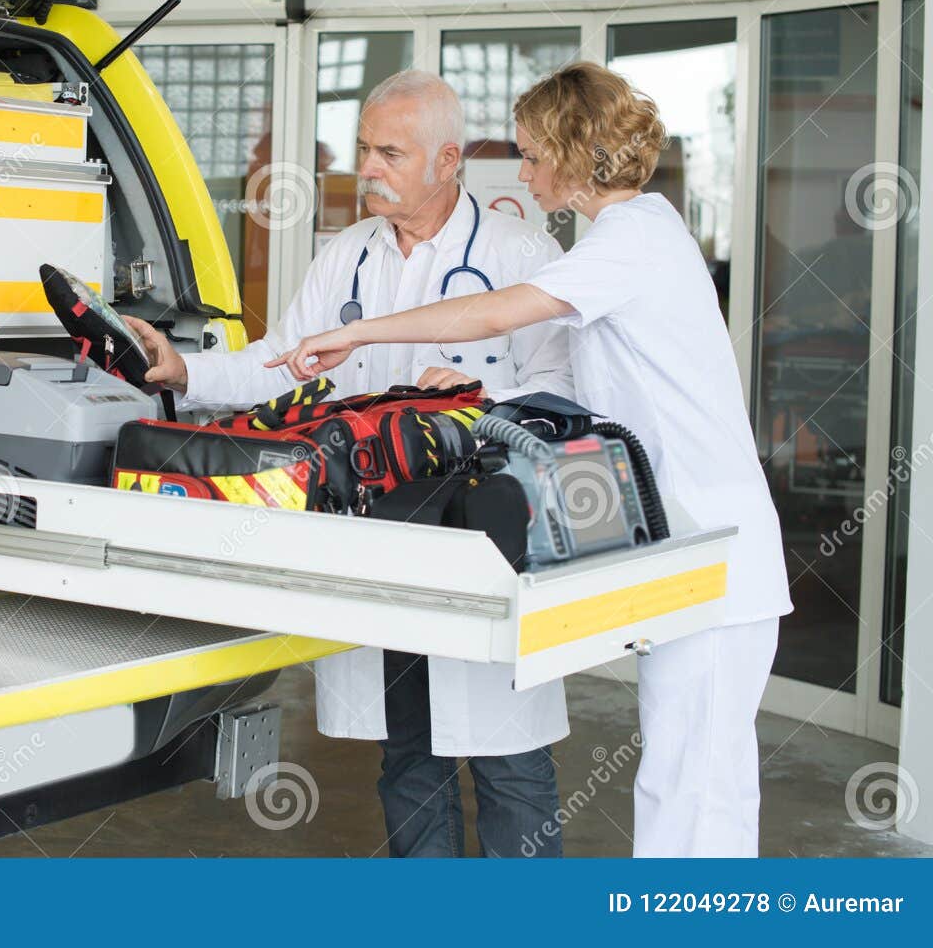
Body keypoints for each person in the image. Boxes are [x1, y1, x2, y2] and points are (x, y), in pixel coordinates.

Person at [268, 61, 792, 857]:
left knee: (699, 791)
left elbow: (500, 311)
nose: (523, 171)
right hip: (688, 549)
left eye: (534, 152)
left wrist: (361, 332)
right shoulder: (626, 237)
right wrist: (480, 400)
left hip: (716, 551)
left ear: (577, 151)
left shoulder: (634, 238)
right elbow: (585, 398)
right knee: (682, 778)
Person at [123, 70, 574, 857]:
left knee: (509, 760)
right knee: (407, 756)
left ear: (447, 160)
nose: (365, 166)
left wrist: (482, 392)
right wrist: (185, 373)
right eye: (364, 147)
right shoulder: (348, 255)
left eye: (388, 152)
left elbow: (563, 390)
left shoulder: (518, 251)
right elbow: (282, 361)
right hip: (374, 535)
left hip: (480, 539)